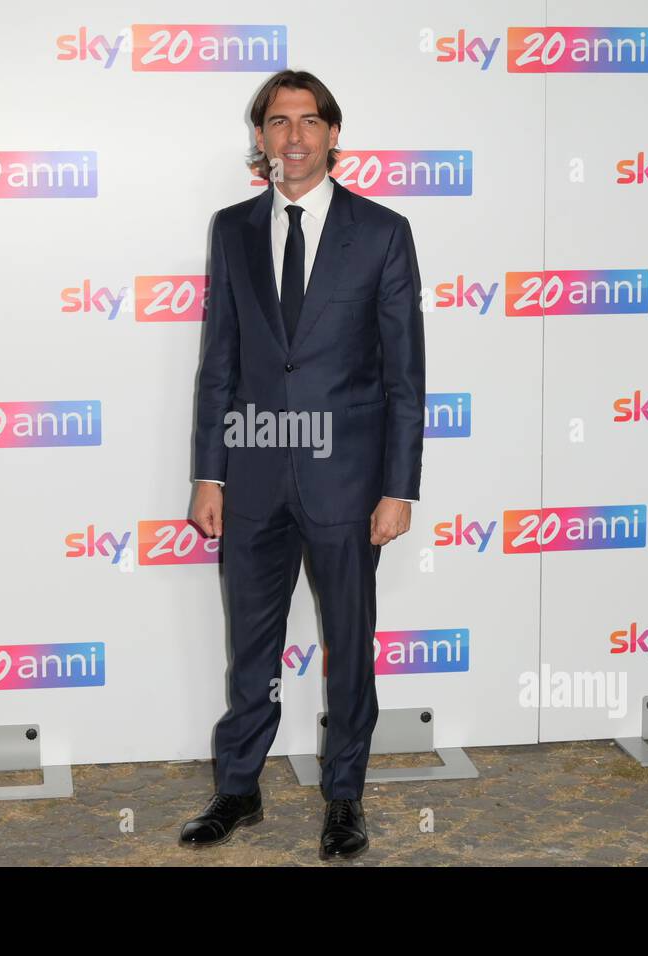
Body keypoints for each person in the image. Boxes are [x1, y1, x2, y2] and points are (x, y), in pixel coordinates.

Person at [182, 69, 425, 861]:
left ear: (331, 134)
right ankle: (238, 787)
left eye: (309, 121)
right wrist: (208, 474)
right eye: (278, 122)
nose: (293, 136)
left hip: (348, 483)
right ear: (260, 139)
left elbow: (404, 376)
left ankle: (345, 796)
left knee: (349, 644)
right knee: (250, 645)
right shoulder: (231, 229)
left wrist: (398, 487)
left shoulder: (383, 231)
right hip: (250, 476)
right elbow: (218, 361)